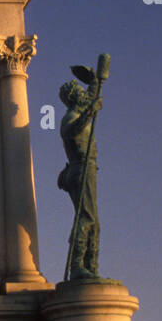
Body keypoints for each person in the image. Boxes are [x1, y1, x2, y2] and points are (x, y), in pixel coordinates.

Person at [57, 78, 102, 279]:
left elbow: (90, 98)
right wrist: (90, 112)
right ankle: (77, 266)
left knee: (93, 220)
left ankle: (91, 266)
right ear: (73, 97)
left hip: (88, 167)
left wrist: (96, 81)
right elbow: (73, 130)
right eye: (80, 92)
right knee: (86, 217)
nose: (84, 95)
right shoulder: (69, 118)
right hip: (80, 168)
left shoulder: (78, 112)